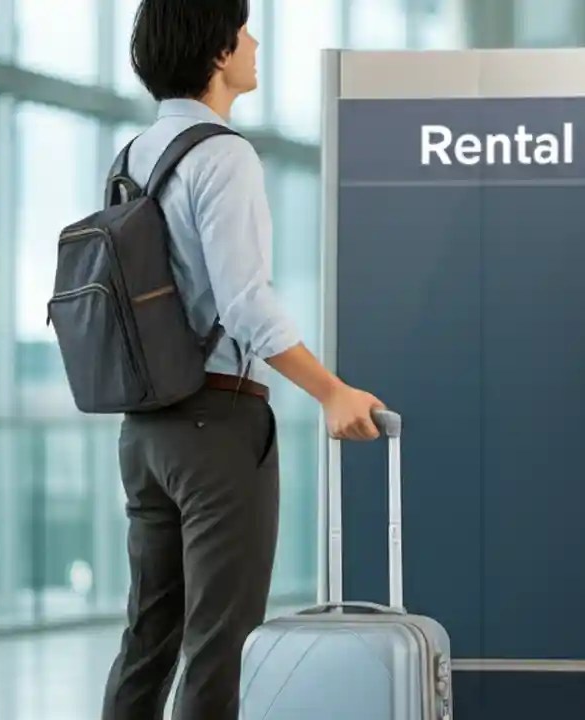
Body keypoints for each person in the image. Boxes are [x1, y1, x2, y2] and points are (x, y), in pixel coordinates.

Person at [101, 2, 384, 718]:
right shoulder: (223, 154)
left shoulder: (129, 157)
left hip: (144, 430)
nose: (255, 43)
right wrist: (331, 391)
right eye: (245, 30)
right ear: (218, 49)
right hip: (217, 426)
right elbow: (246, 304)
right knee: (220, 644)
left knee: (148, 638)